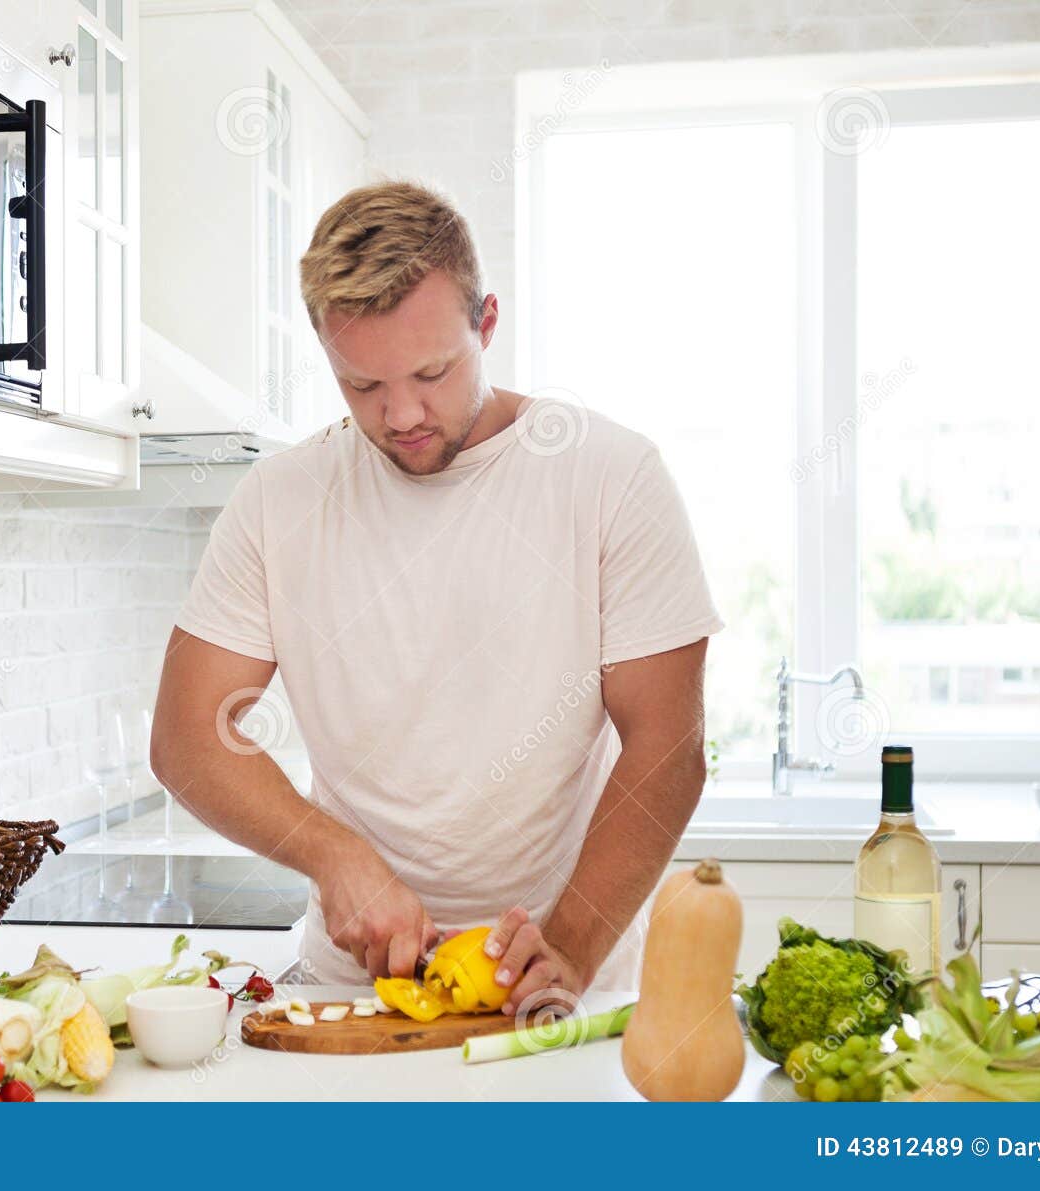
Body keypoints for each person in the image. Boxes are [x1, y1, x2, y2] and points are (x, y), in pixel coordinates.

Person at [150, 180, 721, 1011]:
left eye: (432, 371)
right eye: (363, 386)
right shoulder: (279, 499)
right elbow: (186, 738)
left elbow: (668, 747)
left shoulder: (610, 476)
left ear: (486, 324)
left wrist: (568, 946)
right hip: (355, 1000)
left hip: (568, 987)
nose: (403, 413)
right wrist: (335, 856)